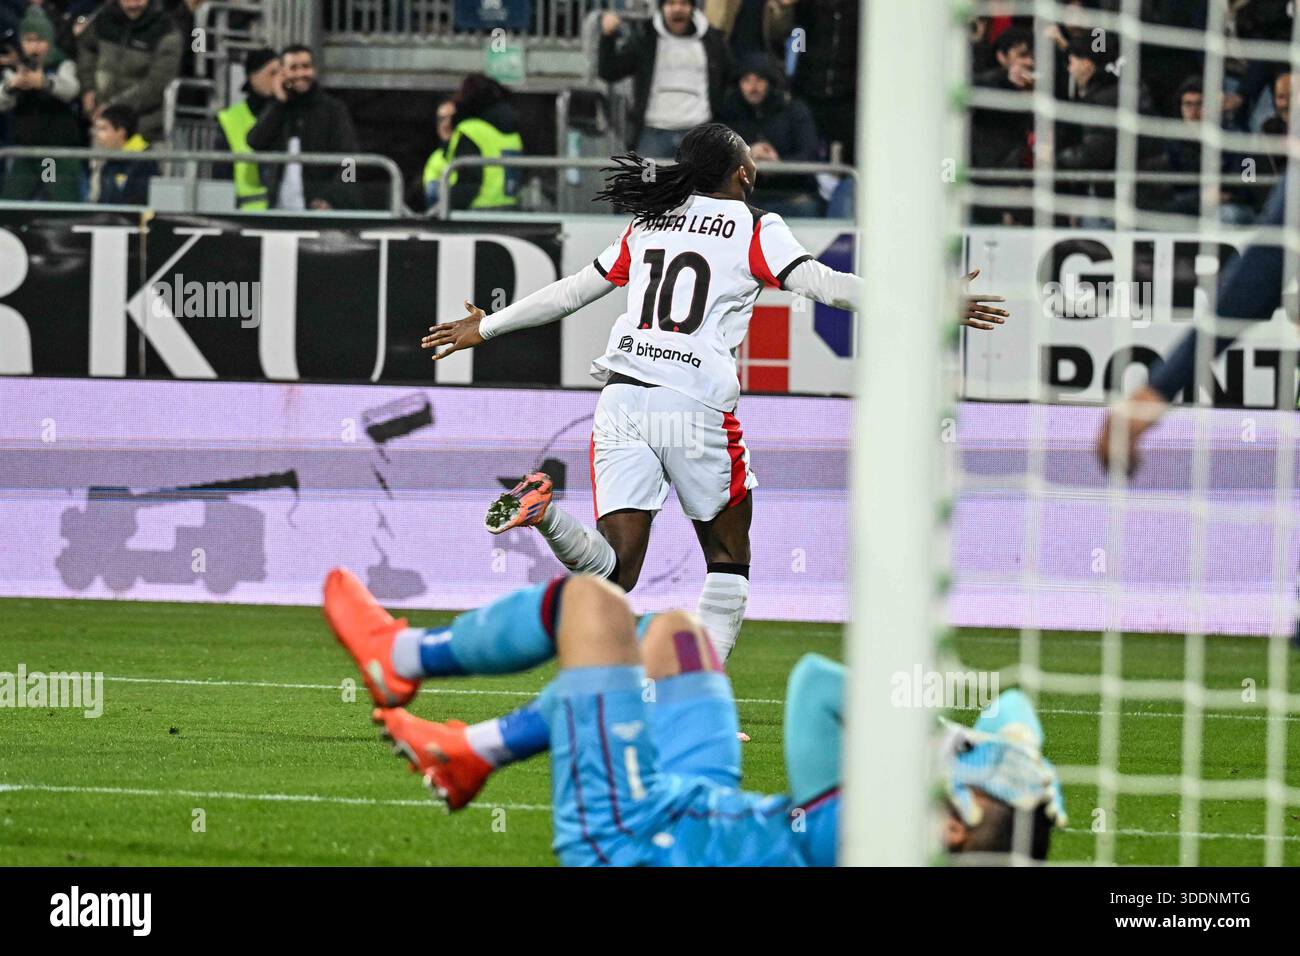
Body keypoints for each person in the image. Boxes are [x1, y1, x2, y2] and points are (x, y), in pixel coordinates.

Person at [420, 123, 1009, 663]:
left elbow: (573, 291)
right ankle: (697, 696)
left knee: (615, 572)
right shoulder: (757, 226)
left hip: (623, 398)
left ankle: (547, 515)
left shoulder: (649, 222)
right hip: (693, 402)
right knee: (728, 560)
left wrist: (486, 327)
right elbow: (824, 286)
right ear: (743, 174)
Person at [321, 567, 1067, 865]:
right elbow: (1012, 708)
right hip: (708, 810)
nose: (964, 757)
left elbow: (815, 689)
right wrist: (1014, 749)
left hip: (635, 836)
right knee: (674, 636)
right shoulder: (939, 841)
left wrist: (939, 740)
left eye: (972, 772)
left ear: (956, 827)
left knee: (593, 608)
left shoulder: (867, 842)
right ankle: (473, 751)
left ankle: (402, 658)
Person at [598, 0, 737, 159]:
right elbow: (609, 72)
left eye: (684, 3)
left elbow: (729, 77)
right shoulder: (645, 37)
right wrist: (607, 37)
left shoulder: (713, 40)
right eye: (671, 3)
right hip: (653, 133)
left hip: (699, 134)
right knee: (647, 182)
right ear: (662, 8)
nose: (677, 9)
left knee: (698, 184)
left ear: (692, 8)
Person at [245, 43, 358, 211]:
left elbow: (351, 162)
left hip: (321, 214)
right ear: (283, 73)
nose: (300, 73)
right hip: (277, 213)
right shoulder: (277, 108)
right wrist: (279, 103)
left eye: (306, 67)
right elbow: (254, 142)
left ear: (314, 70)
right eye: (293, 68)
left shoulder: (333, 109)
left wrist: (332, 199)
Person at [719, 52, 822, 217]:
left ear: (770, 83)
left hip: (791, 194)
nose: (753, 88)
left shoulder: (794, 110)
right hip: (747, 197)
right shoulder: (729, 113)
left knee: (806, 207)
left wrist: (778, 165)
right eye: (747, 81)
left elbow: (810, 154)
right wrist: (748, 154)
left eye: (759, 80)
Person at [0, 5, 81, 202]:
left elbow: (71, 89)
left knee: (55, 203)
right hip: (25, 153)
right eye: (29, 40)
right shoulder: (16, 69)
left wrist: (45, 83)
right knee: (12, 204)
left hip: (51, 155)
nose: (34, 47)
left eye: (40, 41)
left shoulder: (61, 63)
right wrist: (12, 87)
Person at [76, 0, 181, 142]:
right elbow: (86, 50)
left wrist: (113, 107)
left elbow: (157, 83)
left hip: (143, 128)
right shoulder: (103, 19)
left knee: (137, 164)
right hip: (102, 123)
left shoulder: (166, 30)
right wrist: (88, 89)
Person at [437, 74, 523, 213]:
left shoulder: (470, 131)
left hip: (476, 213)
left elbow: (469, 183)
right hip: (509, 210)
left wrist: (443, 208)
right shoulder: (511, 133)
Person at [214, 47, 279, 211]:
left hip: (285, 212)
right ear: (253, 76)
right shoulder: (230, 118)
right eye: (272, 73)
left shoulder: (289, 113)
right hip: (244, 215)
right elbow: (221, 176)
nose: (278, 80)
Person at [90, 103, 154, 204]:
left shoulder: (145, 162)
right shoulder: (109, 165)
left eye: (103, 129)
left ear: (121, 132)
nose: (98, 135)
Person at [418, 96, 455, 211]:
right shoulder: (435, 158)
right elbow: (433, 201)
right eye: (441, 119)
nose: (446, 124)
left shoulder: (476, 150)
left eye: (451, 118)